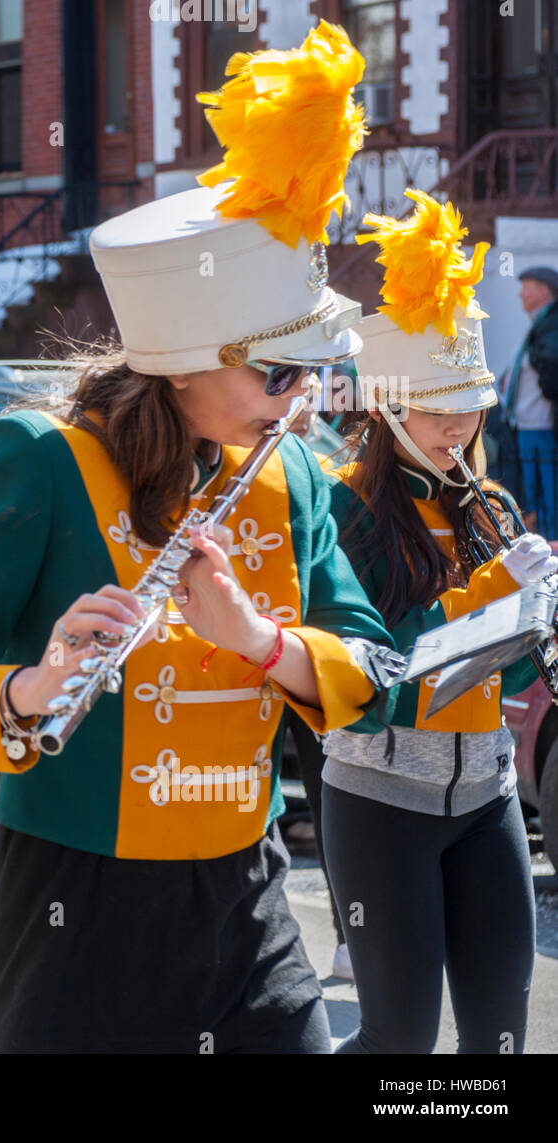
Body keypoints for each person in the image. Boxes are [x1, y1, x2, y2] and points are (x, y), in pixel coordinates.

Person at [0, 22, 396, 1053]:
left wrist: (257, 640)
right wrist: (25, 688)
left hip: (247, 894)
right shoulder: (37, 462)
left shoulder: (287, 476)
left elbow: (375, 668)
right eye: (277, 374)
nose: (301, 402)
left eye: (312, 373)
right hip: (75, 904)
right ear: (183, 363)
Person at [322, 190, 544, 1054]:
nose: (459, 425)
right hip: (382, 799)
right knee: (397, 1041)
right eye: (436, 407)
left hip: (487, 797)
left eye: (471, 404)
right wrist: (492, 590)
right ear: (388, 410)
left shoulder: (493, 503)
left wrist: (537, 621)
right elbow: (381, 663)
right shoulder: (348, 510)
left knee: (498, 1037)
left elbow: (511, 675)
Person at [494, 265, 558, 535]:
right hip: (528, 425)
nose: (520, 295)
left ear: (543, 291)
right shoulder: (541, 322)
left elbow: (551, 365)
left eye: (526, 288)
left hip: (540, 426)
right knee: (534, 495)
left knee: (545, 495)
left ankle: (550, 545)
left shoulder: (551, 323)